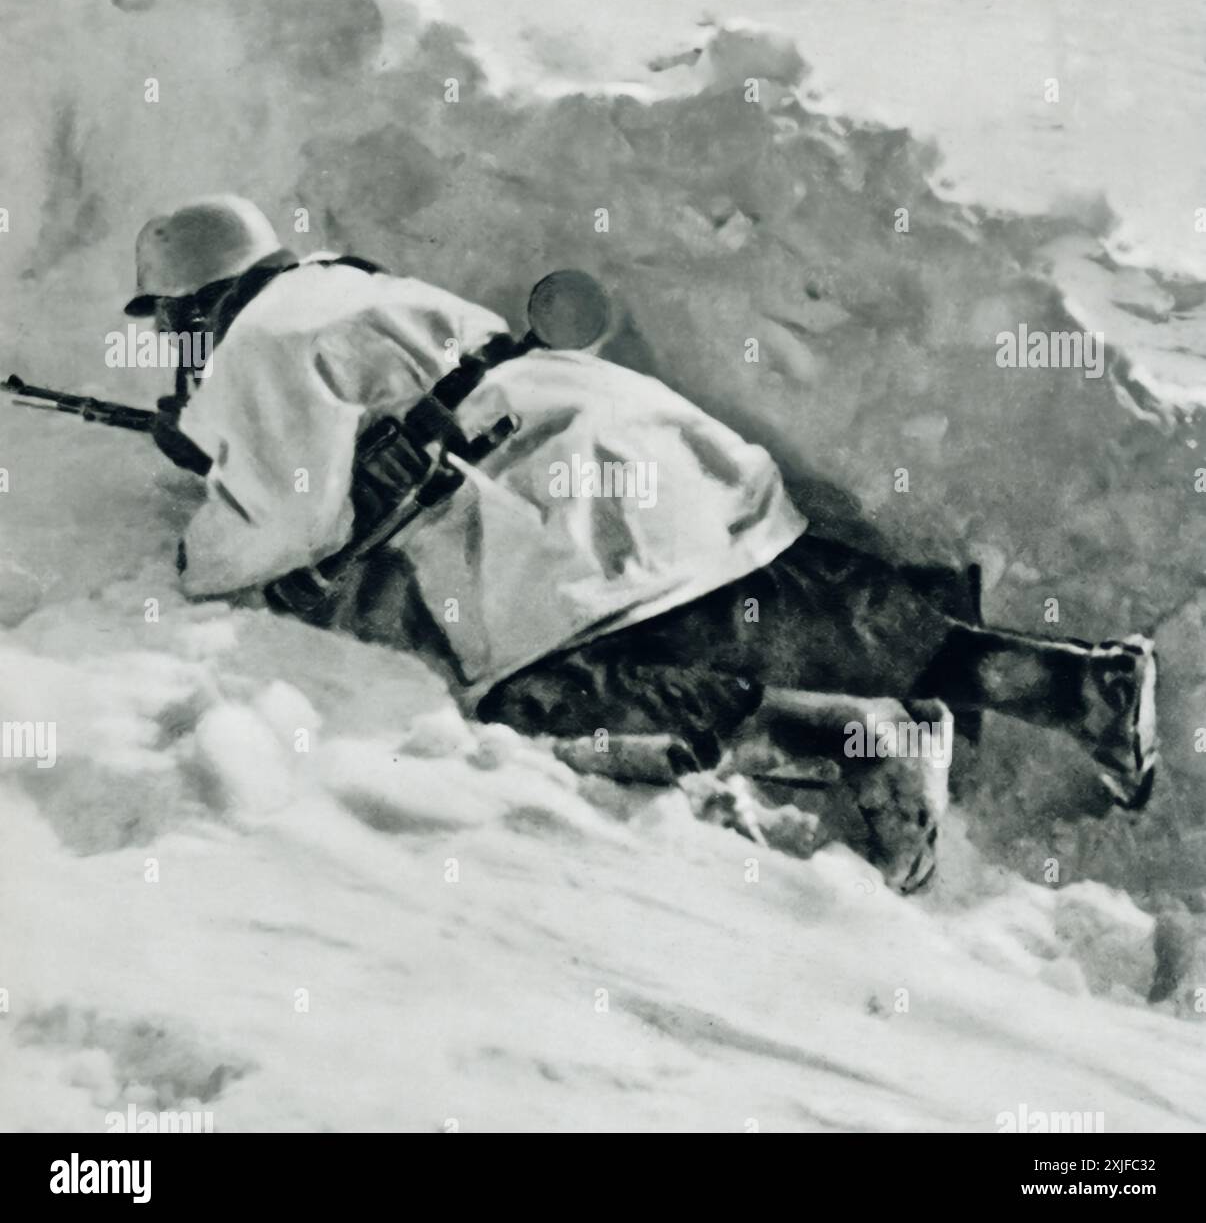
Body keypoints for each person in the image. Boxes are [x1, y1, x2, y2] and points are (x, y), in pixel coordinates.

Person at [131, 196, 1160, 892]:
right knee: (791, 608)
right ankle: (1079, 687)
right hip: (625, 429)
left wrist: (195, 545)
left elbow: (280, 524)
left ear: (191, 301)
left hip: (549, 501)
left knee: (567, 698)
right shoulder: (349, 283)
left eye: (166, 324)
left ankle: (860, 738)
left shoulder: (255, 340)